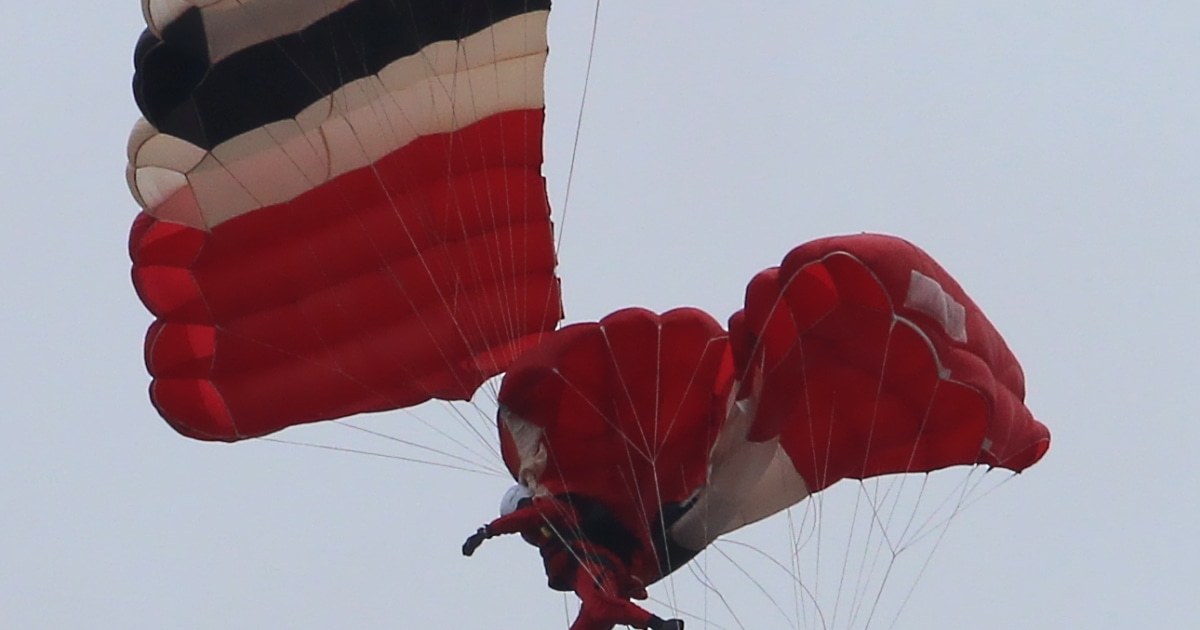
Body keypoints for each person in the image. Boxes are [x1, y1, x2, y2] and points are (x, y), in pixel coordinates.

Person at [463, 484, 686, 630]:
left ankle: (660, 625)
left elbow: (528, 517)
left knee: (601, 607)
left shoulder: (549, 508)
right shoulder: (545, 529)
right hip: (589, 573)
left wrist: (488, 531)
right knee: (592, 619)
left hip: (592, 564)